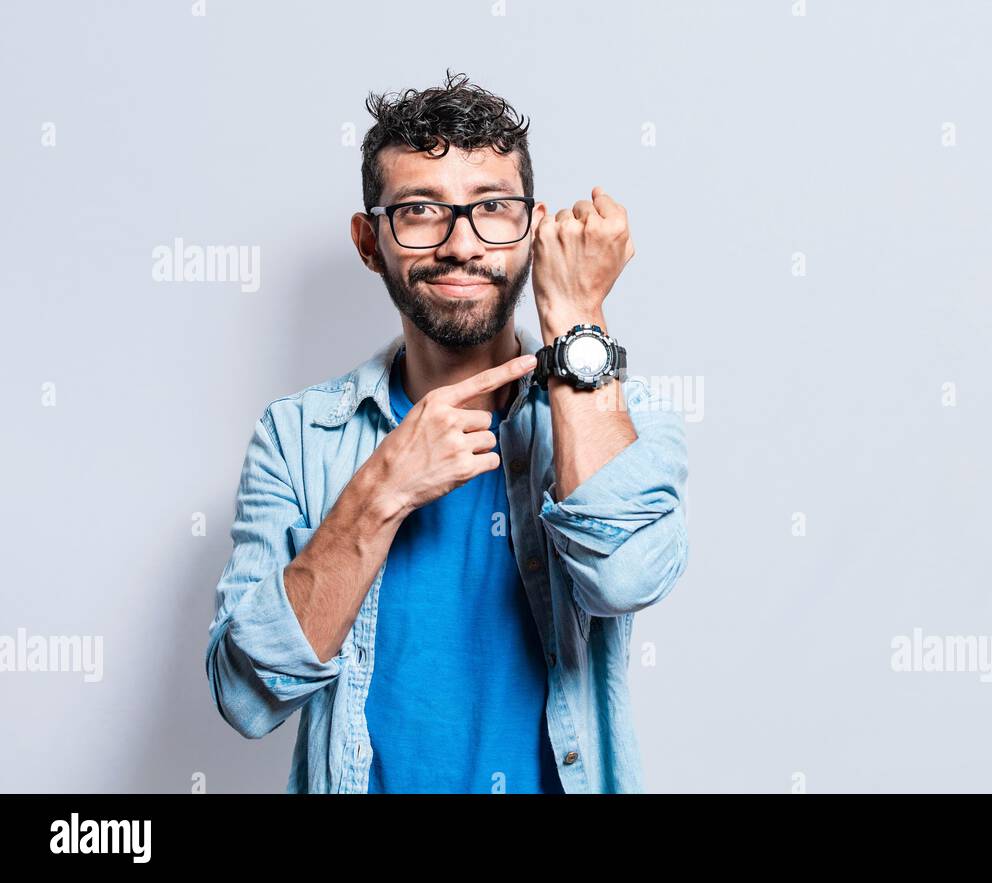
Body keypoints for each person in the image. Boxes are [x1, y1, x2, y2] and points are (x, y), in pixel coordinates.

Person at [204, 70, 689, 794]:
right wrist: (379, 493)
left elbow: (625, 577)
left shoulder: (618, 408)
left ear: (533, 229)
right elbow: (247, 696)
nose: (462, 244)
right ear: (370, 241)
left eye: (493, 208)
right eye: (422, 210)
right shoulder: (298, 434)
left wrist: (576, 317)